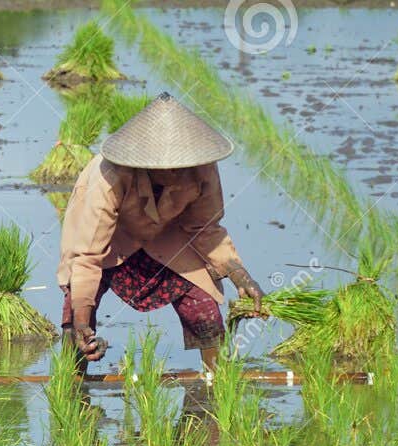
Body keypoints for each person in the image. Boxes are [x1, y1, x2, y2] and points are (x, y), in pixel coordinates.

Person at [57, 93, 263, 371]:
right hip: (110, 243)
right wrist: (82, 321)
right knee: (77, 302)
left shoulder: (201, 168)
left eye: (185, 164)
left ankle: (218, 380)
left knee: (203, 301)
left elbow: (205, 228)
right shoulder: (110, 177)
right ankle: (72, 376)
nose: (180, 172)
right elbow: (88, 254)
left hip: (167, 240)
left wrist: (240, 274)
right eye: (171, 167)